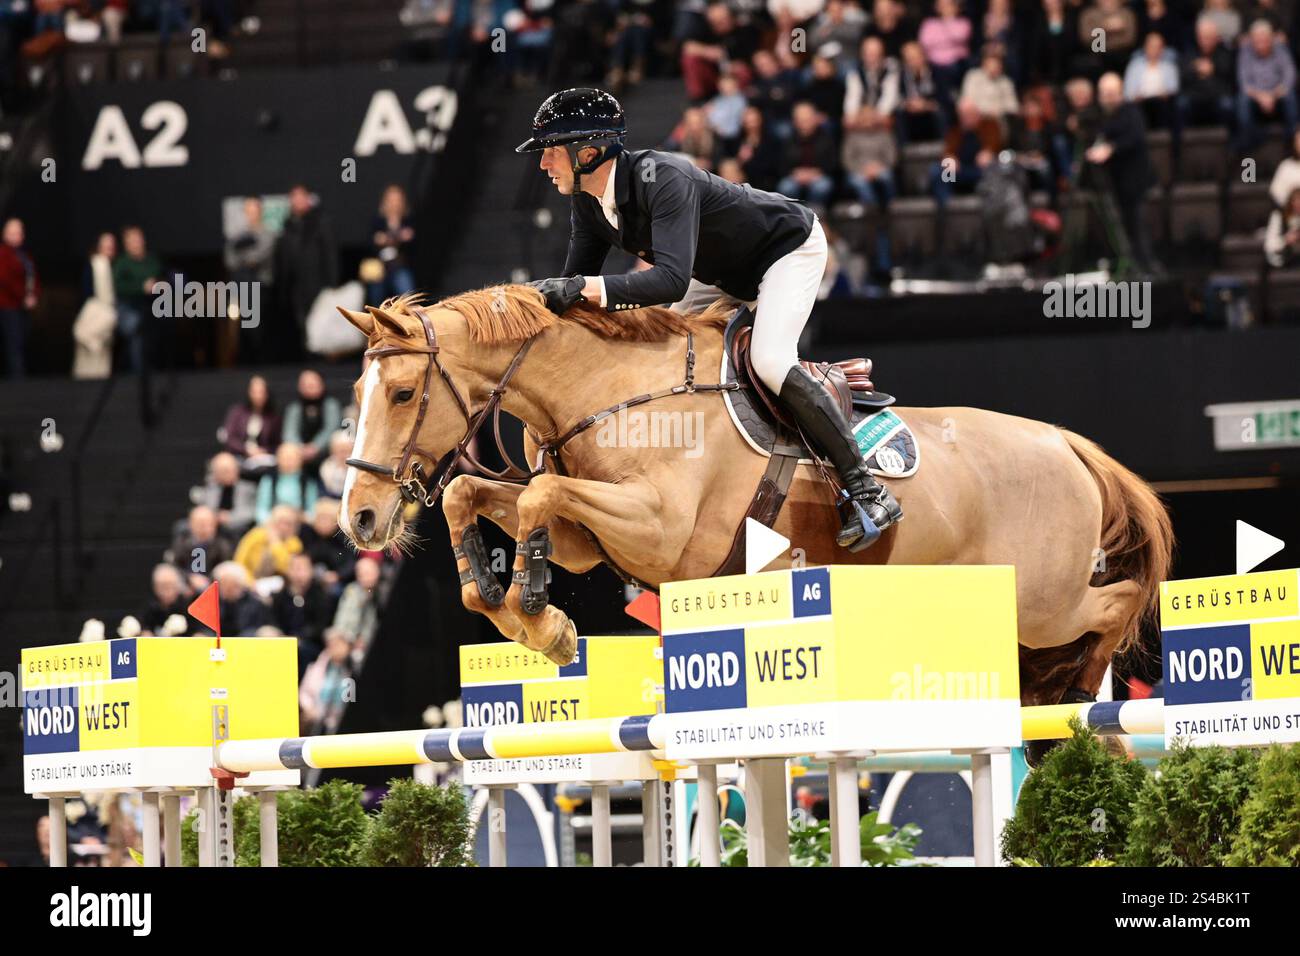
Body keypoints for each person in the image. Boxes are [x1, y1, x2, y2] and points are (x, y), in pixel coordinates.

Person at [517, 88, 901, 549]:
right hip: (719, 271)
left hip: (784, 251)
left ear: (589, 152)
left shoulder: (664, 175)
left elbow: (670, 282)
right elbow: (574, 286)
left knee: (771, 361)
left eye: (551, 152)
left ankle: (865, 487)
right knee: (660, 353)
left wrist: (580, 289)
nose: (543, 165)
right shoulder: (586, 200)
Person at [1086, 72, 1157, 271]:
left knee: (1136, 225)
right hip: (1113, 182)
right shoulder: (1100, 115)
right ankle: (1123, 265)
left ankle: (1145, 267)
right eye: (1104, 94)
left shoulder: (1130, 112)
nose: (1108, 98)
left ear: (1120, 92)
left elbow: (1135, 137)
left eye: (1111, 93)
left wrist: (1111, 148)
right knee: (1118, 227)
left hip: (1135, 181)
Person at [275, 184, 338, 357]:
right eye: (294, 197)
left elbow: (330, 253)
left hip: (319, 282)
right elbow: (284, 258)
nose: (298, 201)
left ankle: (324, 358)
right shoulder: (288, 226)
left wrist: (332, 283)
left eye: (301, 196)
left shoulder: (320, 221)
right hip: (297, 285)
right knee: (302, 323)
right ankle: (309, 358)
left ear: (308, 198)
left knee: (321, 320)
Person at [224, 196, 276, 364]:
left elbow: (258, 257)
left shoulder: (268, 234)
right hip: (242, 288)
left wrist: (243, 256)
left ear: (260, 212)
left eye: (255, 210)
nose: (252, 214)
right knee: (244, 328)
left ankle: (263, 363)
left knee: (260, 329)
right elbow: (230, 259)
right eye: (249, 211)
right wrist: (244, 257)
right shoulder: (238, 235)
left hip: (261, 287)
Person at [1236, 19, 1298, 151]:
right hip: (1255, 97)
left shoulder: (1280, 48)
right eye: (1257, 41)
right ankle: (1248, 144)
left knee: (1290, 97)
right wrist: (1261, 96)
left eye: (1265, 41)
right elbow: (1243, 82)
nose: (1261, 45)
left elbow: (1289, 77)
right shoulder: (1245, 51)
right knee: (1242, 100)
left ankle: (1291, 142)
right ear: (1251, 40)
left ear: (1271, 39)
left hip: (1277, 95)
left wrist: (1273, 95)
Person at [930, 97, 1003, 207]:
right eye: (963, 115)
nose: (966, 118)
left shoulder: (989, 125)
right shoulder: (955, 130)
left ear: (977, 113)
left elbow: (996, 144)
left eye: (969, 114)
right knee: (937, 172)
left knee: (996, 170)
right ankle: (947, 208)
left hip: (981, 172)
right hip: (959, 173)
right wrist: (949, 159)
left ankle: (991, 210)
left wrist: (989, 152)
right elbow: (947, 152)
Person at [111, 226, 161, 374]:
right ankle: (138, 374)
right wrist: (141, 287)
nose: (136, 243)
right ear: (126, 244)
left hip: (150, 307)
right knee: (137, 329)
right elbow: (118, 287)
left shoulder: (151, 260)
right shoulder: (122, 263)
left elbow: (158, 276)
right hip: (127, 308)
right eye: (132, 240)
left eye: (138, 239)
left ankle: (150, 372)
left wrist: (156, 285)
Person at [272, 552, 333, 671]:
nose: (299, 574)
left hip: (310, 645)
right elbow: (274, 620)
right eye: (295, 568)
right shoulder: (280, 596)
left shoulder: (320, 595)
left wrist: (298, 638)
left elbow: (321, 625)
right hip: (284, 642)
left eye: (303, 569)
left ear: (311, 571)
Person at [777, 101, 838, 213]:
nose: (804, 124)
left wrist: (816, 173)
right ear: (795, 122)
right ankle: (794, 215)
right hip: (795, 176)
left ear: (815, 119)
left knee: (823, 186)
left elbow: (832, 164)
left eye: (807, 120)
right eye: (801, 121)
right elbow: (781, 164)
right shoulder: (788, 140)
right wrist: (794, 173)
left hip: (818, 176)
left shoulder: (826, 138)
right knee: (786, 187)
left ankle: (815, 214)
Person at [72, 232, 117, 379]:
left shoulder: (115, 266)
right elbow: (86, 292)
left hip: (109, 312)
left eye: (111, 243)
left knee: (103, 352)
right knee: (85, 340)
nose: (109, 246)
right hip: (94, 310)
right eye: (105, 242)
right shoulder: (94, 264)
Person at [1179, 17, 1236, 129]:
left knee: (1227, 104)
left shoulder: (1225, 52)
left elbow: (1228, 73)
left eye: (1209, 38)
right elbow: (1183, 75)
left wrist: (1213, 68)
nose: (1206, 41)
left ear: (1216, 38)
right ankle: (1184, 143)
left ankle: (1229, 141)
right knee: (1181, 104)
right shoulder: (1189, 52)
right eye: (1203, 38)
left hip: (1218, 94)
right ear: (1197, 37)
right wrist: (1197, 69)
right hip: (1194, 94)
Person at [282, 368, 341, 476]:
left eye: (313, 383)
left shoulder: (331, 405)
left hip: (325, 452)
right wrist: (300, 448)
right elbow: (289, 433)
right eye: (306, 384)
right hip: (298, 455)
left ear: (321, 384)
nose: (309, 386)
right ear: (299, 387)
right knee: (286, 450)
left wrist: (315, 447)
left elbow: (332, 429)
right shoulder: (294, 408)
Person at [0, 218, 38, 378]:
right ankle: (17, 381)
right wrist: (23, 296)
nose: (16, 236)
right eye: (12, 233)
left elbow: (33, 278)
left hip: (23, 306)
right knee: (13, 343)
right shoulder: (3, 254)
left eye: (19, 232)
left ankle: (19, 377)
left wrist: (33, 295)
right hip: (8, 305)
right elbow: (5, 279)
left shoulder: (24, 255)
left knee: (21, 342)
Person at [367, 185, 416, 306]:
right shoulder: (377, 221)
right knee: (376, 298)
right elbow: (369, 244)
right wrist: (379, 240)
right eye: (391, 199)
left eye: (397, 200)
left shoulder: (408, 220)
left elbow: (416, 247)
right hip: (380, 267)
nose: (394, 203)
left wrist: (405, 238)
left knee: (407, 294)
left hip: (400, 266)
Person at [221, 374, 281, 473]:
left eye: (261, 392)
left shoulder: (273, 417)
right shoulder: (237, 412)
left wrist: (263, 451)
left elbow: (277, 443)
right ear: (249, 392)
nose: (258, 396)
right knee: (224, 462)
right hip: (239, 456)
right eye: (254, 392)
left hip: (264, 458)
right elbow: (229, 438)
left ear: (267, 394)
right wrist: (246, 450)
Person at [1124, 32, 1180, 132]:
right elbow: (1128, 92)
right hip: (1141, 103)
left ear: (1162, 49)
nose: (1154, 50)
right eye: (1151, 46)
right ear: (1145, 48)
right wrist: (1136, 97)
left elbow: (1173, 88)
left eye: (1158, 47)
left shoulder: (1169, 66)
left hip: (1161, 101)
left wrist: (1165, 94)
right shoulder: (1135, 66)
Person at [169, 505, 233, 591]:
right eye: (199, 524)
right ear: (191, 524)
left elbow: (224, 568)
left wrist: (208, 580)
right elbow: (175, 566)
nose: (203, 528)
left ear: (214, 525)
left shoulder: (222, 546)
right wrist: (189, 578)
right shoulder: (182, 542)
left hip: (213, 587)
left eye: (206, 524)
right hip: (185, 586)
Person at [233, 504, 304, 580]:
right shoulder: (255, 535)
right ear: (272, 522)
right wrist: (251, 584)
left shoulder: (295, 544)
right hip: (250, 582)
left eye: (288, 524)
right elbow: (239, 562)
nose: (284, 527)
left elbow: (285, 568)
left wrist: (276, 543)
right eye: (281, 522)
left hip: (279, 585)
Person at [301, 497, 356, 593]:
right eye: (320, 518)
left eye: (327, 519)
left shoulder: (343, 538)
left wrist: (337, 575)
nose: (323, 522)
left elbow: (351, 562)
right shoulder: (307, 534)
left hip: (337, 582)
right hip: (308, 578)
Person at [255, 443, 319, 525]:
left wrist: (302, 517)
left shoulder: (308, 482)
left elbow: (313, 511)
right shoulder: (269, 480)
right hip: (273, 524)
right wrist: (271, 522)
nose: (288, 462)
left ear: (300, 461)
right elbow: (261, 509)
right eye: (285, 458)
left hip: (300, 525)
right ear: (278, 459)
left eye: (292, 459)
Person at [198, 451, 258, 536]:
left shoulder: (248, 488)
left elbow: (253, 512)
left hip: (238, 526)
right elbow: (204, 508)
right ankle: (197, 549)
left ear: (236, 470)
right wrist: (214, 517)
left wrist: (230, 517)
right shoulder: (210, 488)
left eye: (227, 470)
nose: (225, 474)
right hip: (212, 524)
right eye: (221, 471)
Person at [333, 556, 383, 656]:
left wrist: (364, 640)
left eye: (368, 573)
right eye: (361, 574)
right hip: (348, 639)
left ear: (377, 573)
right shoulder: (352, 590)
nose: (365, 578)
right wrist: (345, 638)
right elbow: (343, 617)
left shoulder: (382, 593)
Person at [210, 561, 271, 635]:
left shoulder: (255, 604)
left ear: (241, 585)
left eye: (233, 585)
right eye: (224, 584)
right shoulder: (211, 602)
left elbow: (260, 627)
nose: (228, 589)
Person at [138, 564, 191, 635]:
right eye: (162, 586)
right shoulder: (151, 606)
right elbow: (144, 628)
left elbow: (200, 634)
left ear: (178, 586)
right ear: (155, 587)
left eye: (170, 586)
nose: (166, 591)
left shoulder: (187, 606)